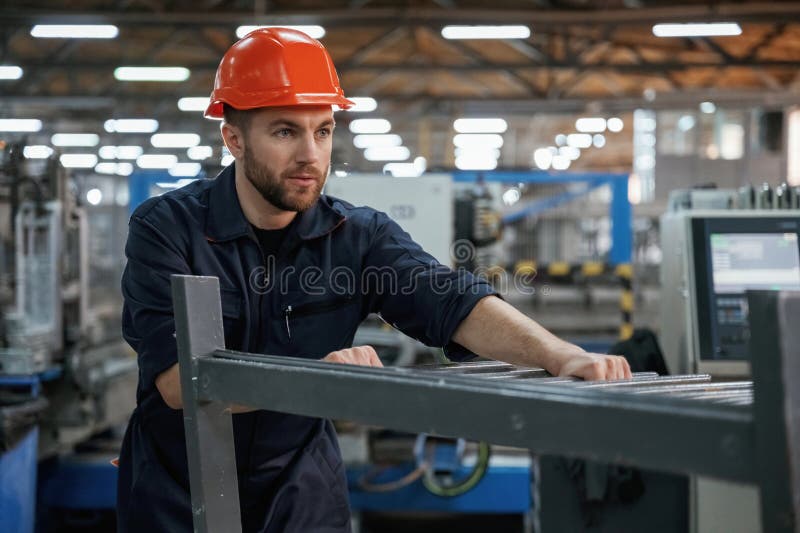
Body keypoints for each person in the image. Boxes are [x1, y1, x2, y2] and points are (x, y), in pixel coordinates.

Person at [116, 27, 631, 533]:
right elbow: (179, 383)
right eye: (284, 131)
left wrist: (557, 353)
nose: (310, 155)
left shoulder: (356, 235)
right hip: (175, 490)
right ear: (234, 139)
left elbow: (452, 301)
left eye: (322, 130)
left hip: (298, 490)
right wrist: (319, 378)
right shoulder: (168, 228)